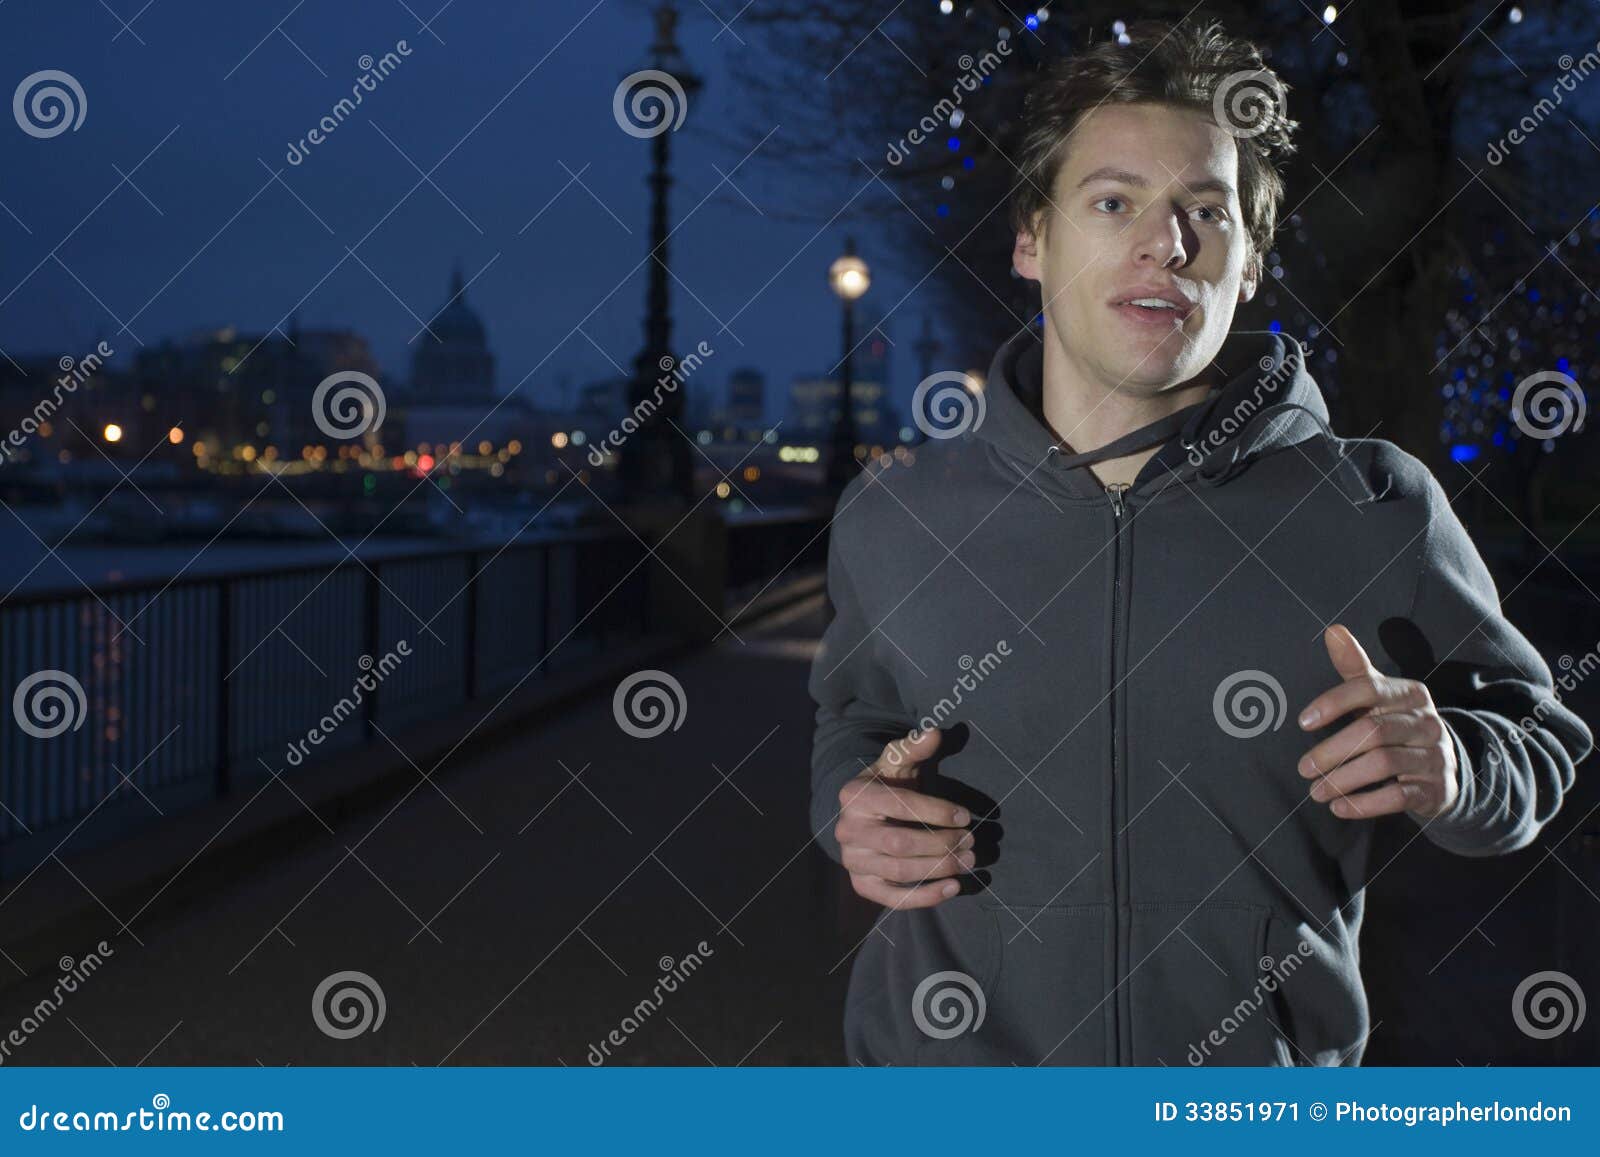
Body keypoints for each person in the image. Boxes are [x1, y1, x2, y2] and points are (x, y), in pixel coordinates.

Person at [806, 17, 1592, 1066]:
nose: (1163, 244)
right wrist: (849, 810)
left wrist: (1452, 759)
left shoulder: (1373, 505)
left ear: (1250, 262)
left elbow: (1537, 741)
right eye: (1113, 201)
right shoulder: (899, 515)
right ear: (1032, 240)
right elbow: (854, 724)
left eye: (1206, 212)